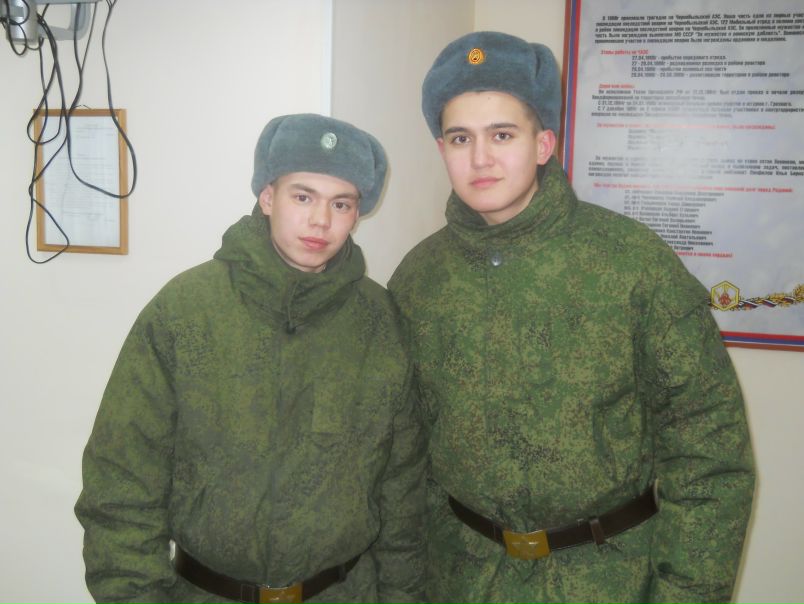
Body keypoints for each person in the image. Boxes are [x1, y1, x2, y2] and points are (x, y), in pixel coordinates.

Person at [388, 31, 755, 604]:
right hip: (462, 579)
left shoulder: (634, 264)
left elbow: (710, 457)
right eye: (461, 138)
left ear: (544, 144)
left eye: (502, 134)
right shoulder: (418, 279)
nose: (480, 158)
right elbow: (406, 458)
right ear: (442, 150)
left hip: (609, 581)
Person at [75, 113, 426, 604]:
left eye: (341, 203)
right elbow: (122, 483)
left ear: (357, 212)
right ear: (267, 197)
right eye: (302, 197)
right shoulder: (185, 312)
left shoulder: (379, 322)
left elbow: (403, 491)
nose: (321, 221)